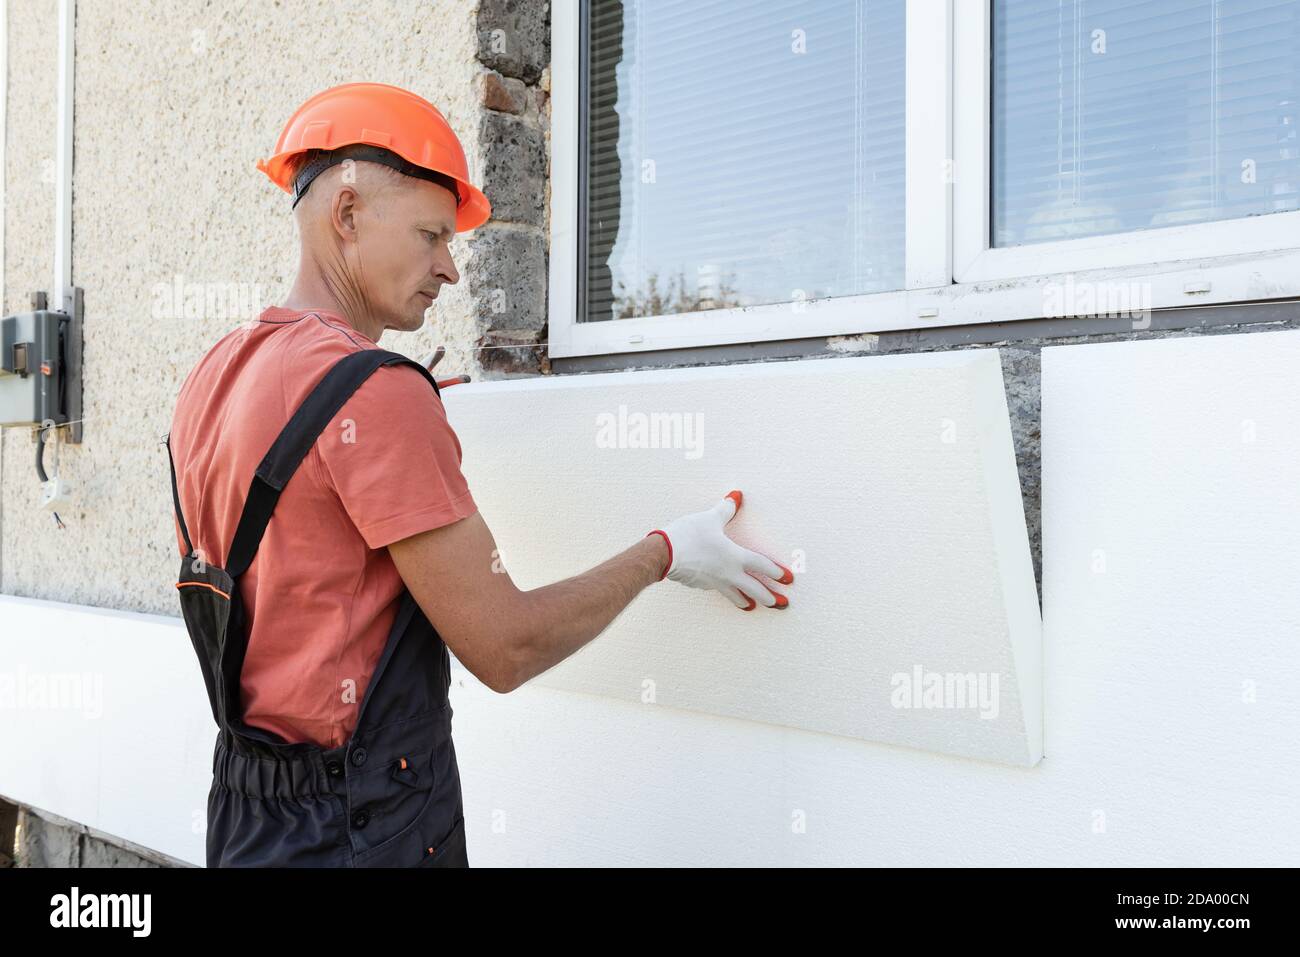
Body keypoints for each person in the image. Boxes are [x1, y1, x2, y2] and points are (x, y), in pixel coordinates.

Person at [165, 82, 793, 868]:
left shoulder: (212, 377)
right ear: (348, 213)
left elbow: (304, 537)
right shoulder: (375, 394)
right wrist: (666, 552)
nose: (450, 269)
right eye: (432, 236)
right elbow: (506, 647)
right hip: (359, 828)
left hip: (248, 813)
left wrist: (399, 431)